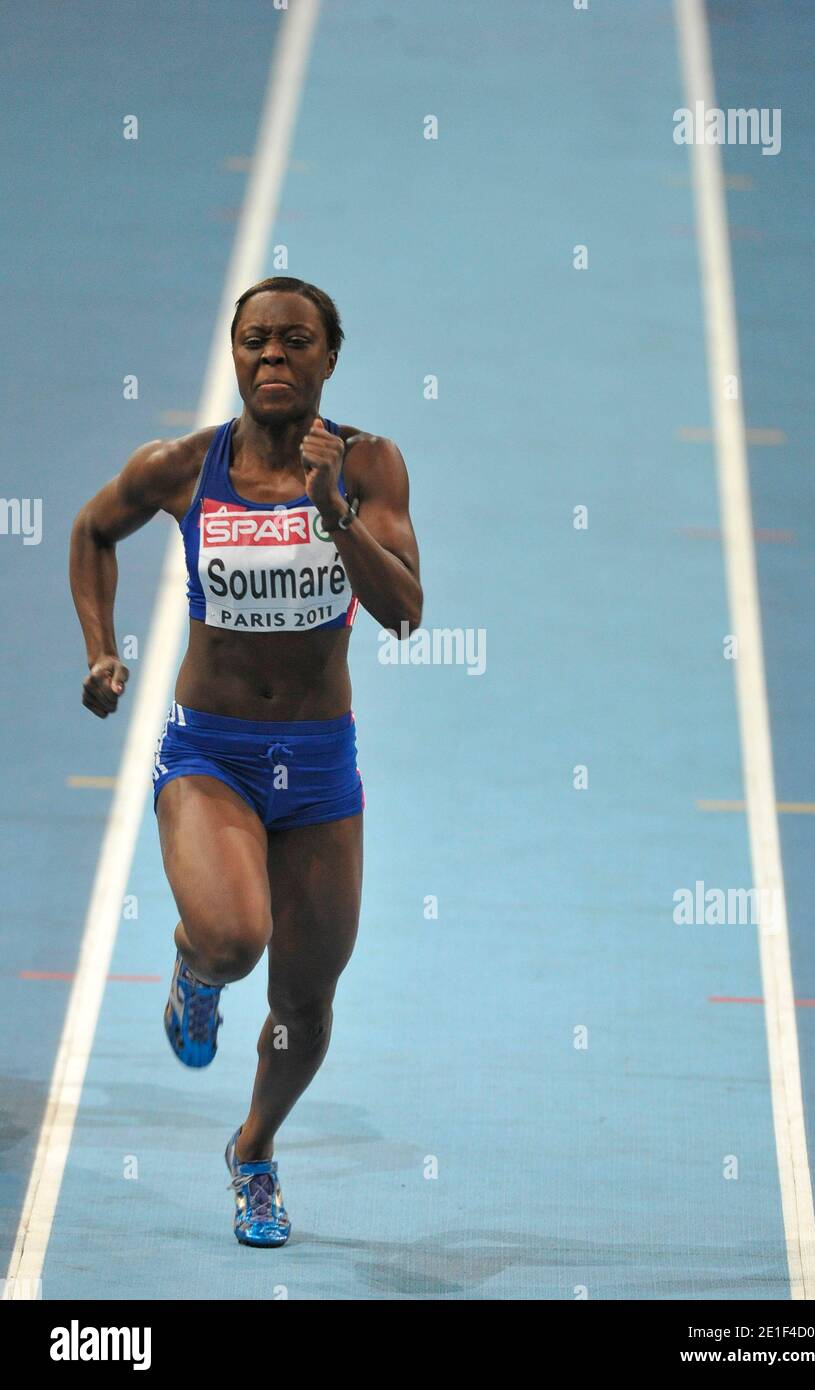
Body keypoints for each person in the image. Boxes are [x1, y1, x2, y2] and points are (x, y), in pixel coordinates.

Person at [69, 275, 423, 1246]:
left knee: (304, 1005)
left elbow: (403, 613)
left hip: (317, 767)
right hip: (211, 756)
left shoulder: (369, 464)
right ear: (233, 356)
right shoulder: (184, 466)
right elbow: (94, 531)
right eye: (255, 341)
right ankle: (193, 964)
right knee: (233, 937)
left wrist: (332, 510)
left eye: (295, 341)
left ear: (329, 356)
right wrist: (102, 647)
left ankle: (254, 1151)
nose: (273, 356)